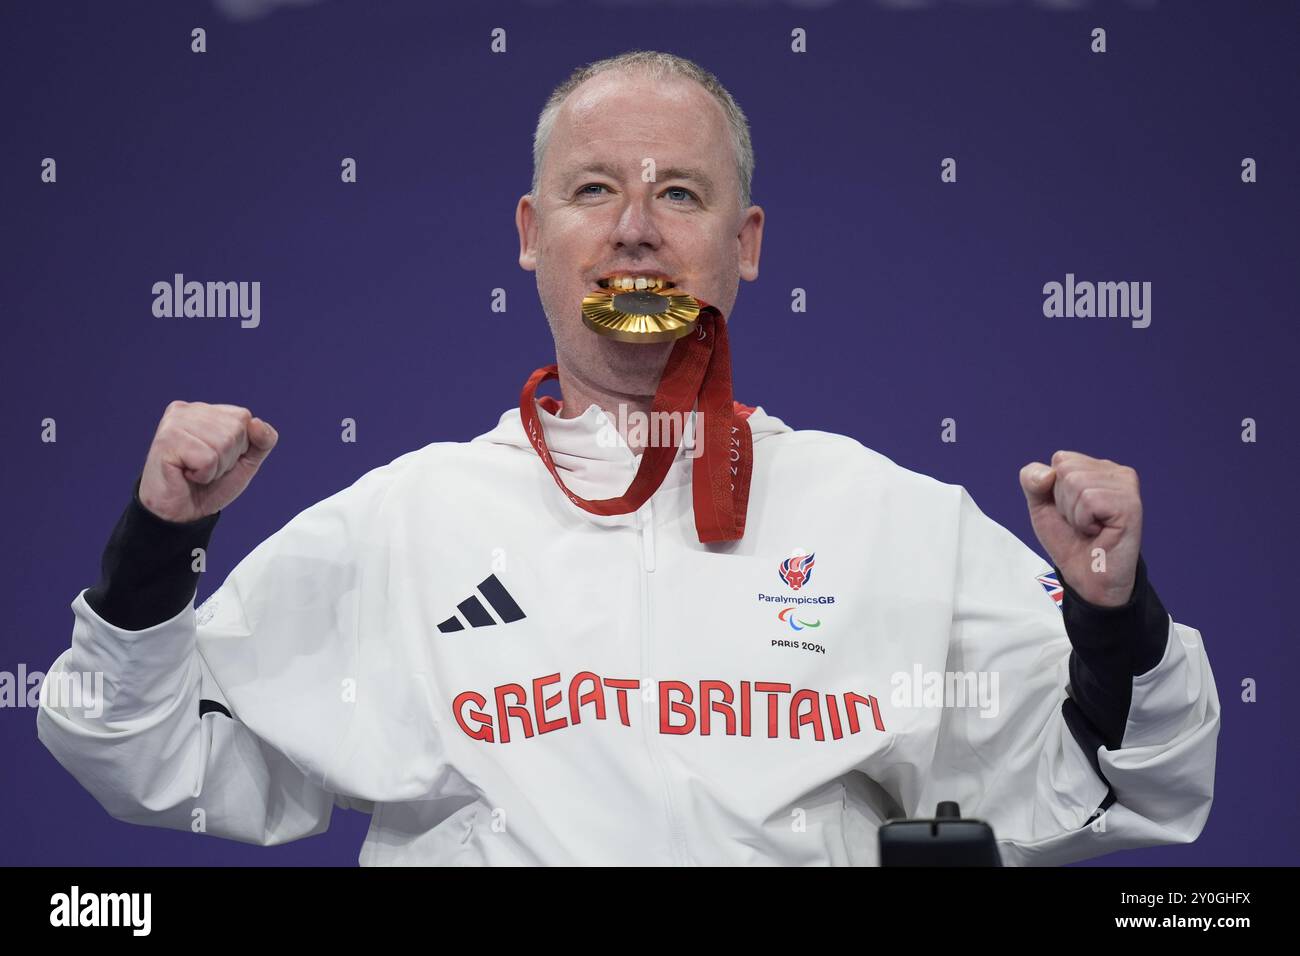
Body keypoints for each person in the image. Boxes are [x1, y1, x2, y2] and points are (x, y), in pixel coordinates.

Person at [37, 50, 1220, 866]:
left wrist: (1113, 617)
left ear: (744, 244)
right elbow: (142, 747)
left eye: (682, 192)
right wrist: (158, 544)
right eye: (593, 188)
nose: (636, 225)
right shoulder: (405, 519)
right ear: (529, 234)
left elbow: (1122, 790)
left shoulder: (886, 518)